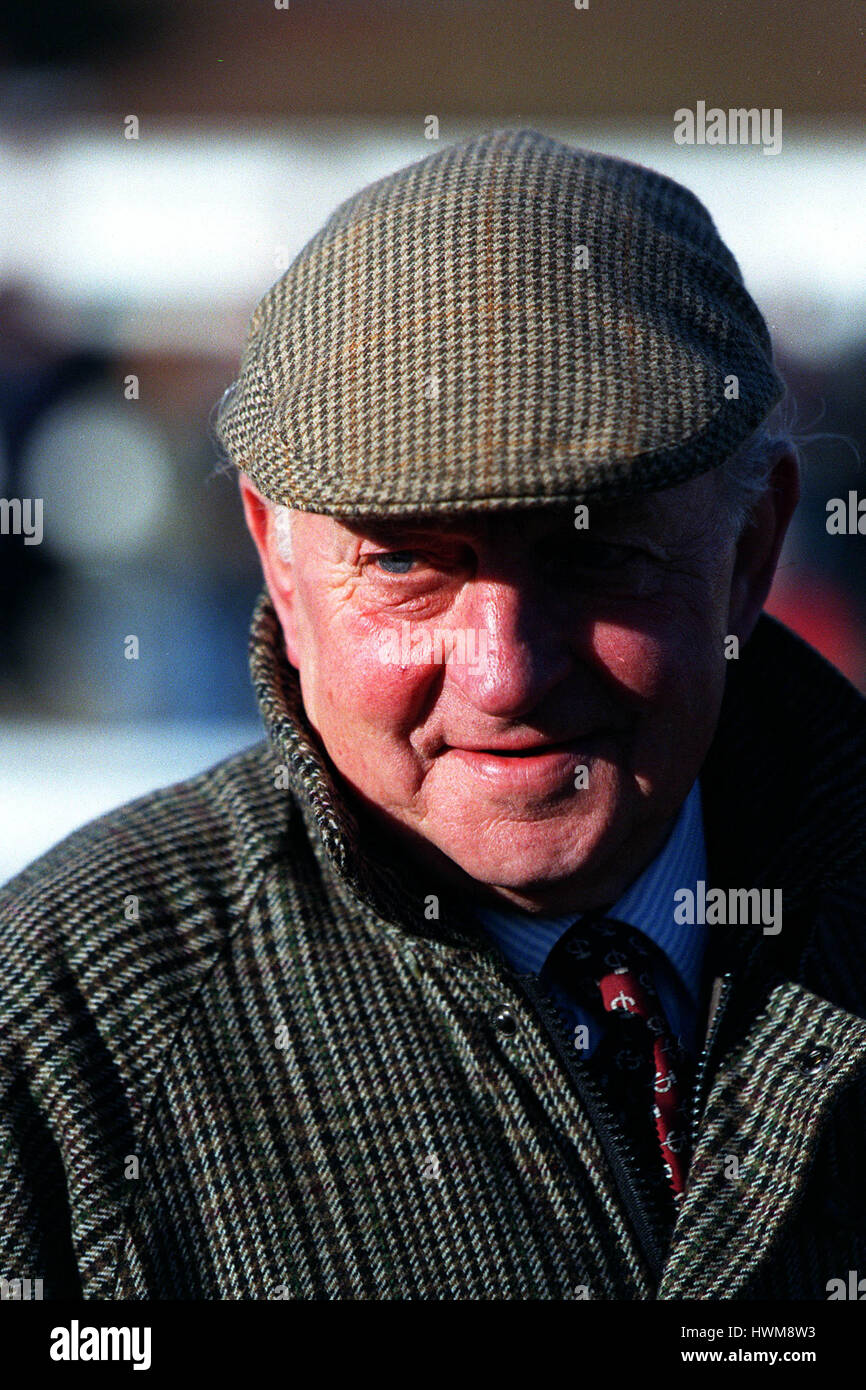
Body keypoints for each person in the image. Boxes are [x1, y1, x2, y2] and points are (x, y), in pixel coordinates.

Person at [2, 126, 865, 1301]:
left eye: (596, 555)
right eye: (407, 564)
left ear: (750, 547)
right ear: (278, 563)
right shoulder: (63, 1037)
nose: (502, 673)